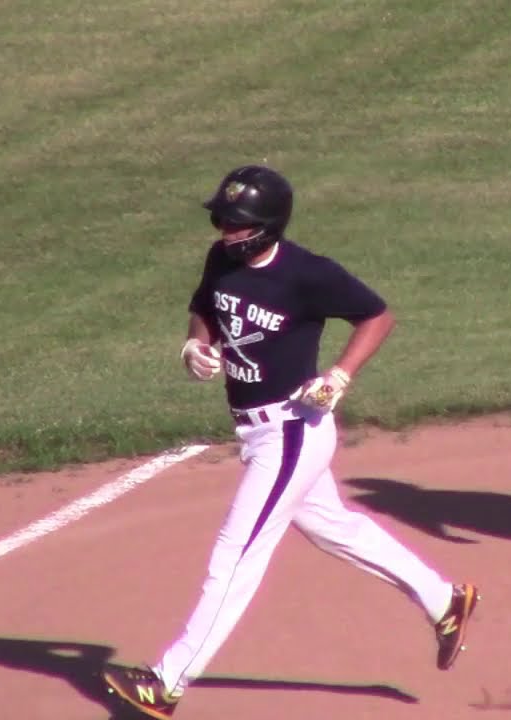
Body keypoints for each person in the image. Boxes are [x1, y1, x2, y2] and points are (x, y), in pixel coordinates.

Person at [103, 164, 480, 718]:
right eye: (222, 219)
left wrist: (340, 375)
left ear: (267, 225)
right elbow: (204, 310)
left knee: (234, 555)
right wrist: (193, 346)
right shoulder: (221, 261)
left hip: (291, 431)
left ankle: (166, 682)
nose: (225, 230)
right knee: (334, 528)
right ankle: (443, 600)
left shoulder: (308, 274)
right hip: (256, 431)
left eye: (236, 222)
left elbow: (377, 316)